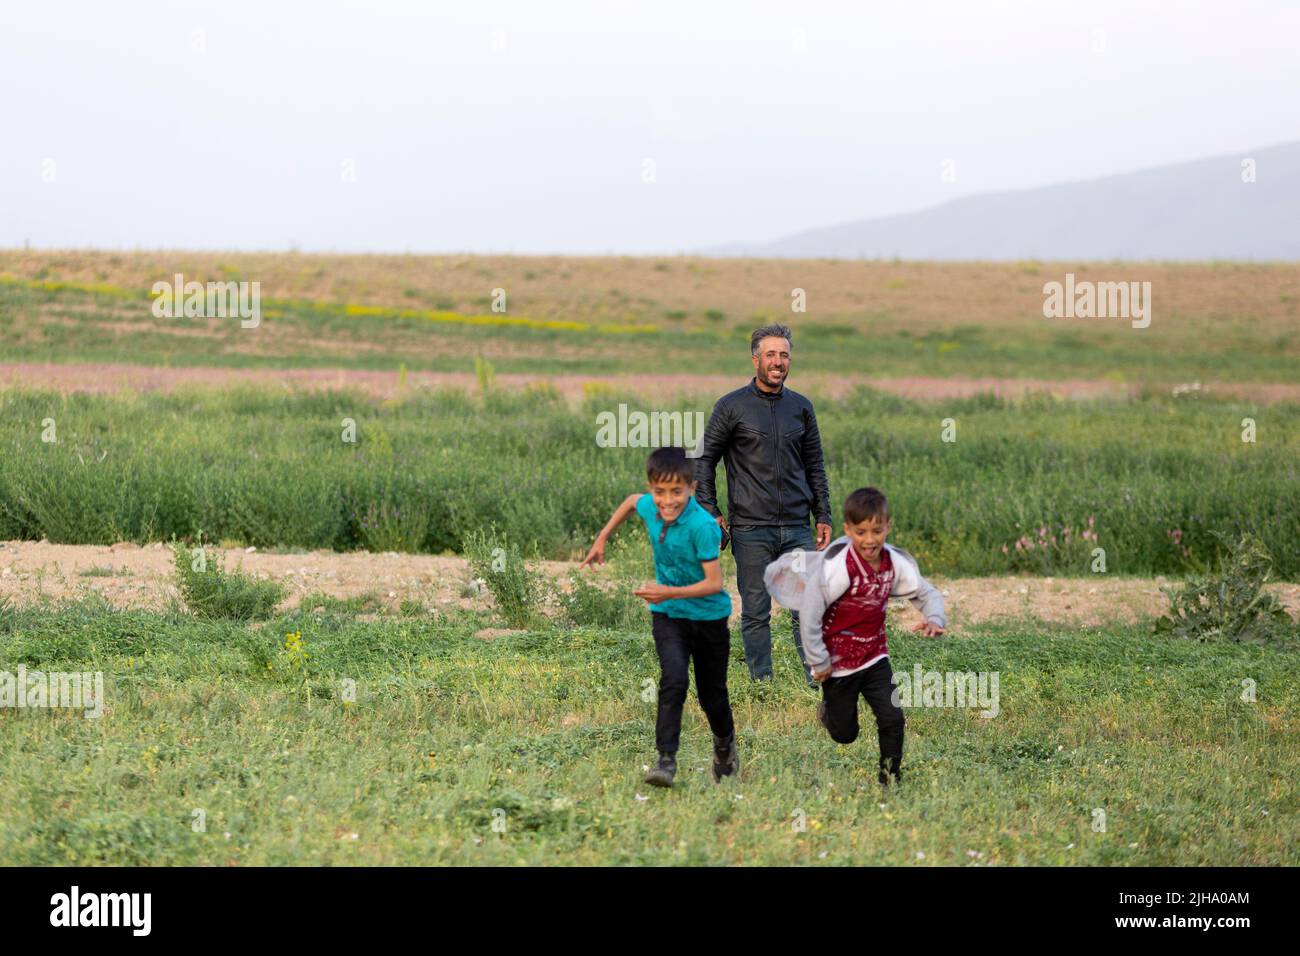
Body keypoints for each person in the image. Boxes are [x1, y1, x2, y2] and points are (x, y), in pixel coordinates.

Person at [764, 487, 946, 787]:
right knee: (845, 734)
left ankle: (890, 780)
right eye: (861, 532)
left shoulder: (893, 562)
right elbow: (810, 613)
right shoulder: (839, 567)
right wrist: (818, 660)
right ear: (848, 530)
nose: (870, 539)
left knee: (892, 718)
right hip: (837, 664)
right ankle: (829, 712)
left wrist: (935, 618)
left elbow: (924, 591)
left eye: (877, 530)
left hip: (875, 657)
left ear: (887, 526)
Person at [580, 446, 738, 789]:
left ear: (692, 489)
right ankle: (665, 760)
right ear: (653, 488)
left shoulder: (701, 526)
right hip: (668, 616)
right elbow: (629, 500)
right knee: (674, 680)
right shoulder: (650, 505)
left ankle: (725, 746)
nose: (667, 501)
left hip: (709, 619)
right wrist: (601, 539)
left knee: (712, 695)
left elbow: (714, 583)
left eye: (677, 492)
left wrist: (667, 591)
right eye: (660, 492)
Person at [693, 324, 833, 686]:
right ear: (755, 358)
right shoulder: (731, 406)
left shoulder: (802, 408)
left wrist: (823, 514)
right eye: (771, 354)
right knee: (756, 612)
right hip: (751, 528)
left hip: (798, 527)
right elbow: (704, 461)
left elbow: (814, 464)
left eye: (784, 355)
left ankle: (816, 683)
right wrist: (712, 513)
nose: (778, 361)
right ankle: (762, 685)